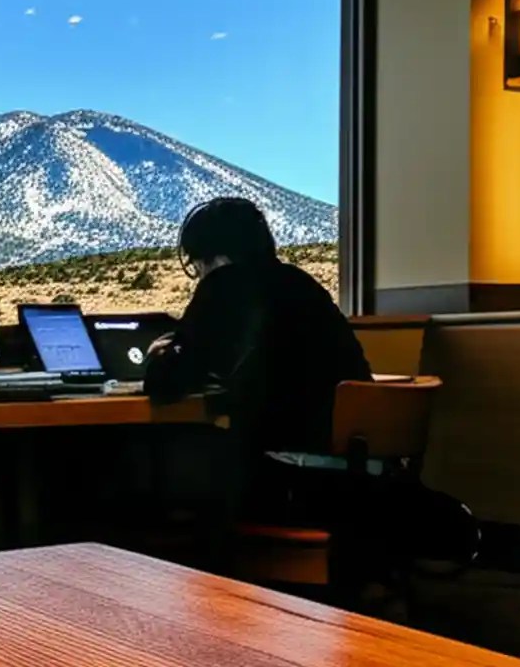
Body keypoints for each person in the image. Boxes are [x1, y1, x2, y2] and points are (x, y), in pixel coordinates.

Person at [143, 196, 373, 524]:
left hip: (289, 483)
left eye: (198, 265)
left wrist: (161, 357)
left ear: (209, 257)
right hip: (352, 479)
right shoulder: (299, 281)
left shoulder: (224, 287)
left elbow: (165, 386)